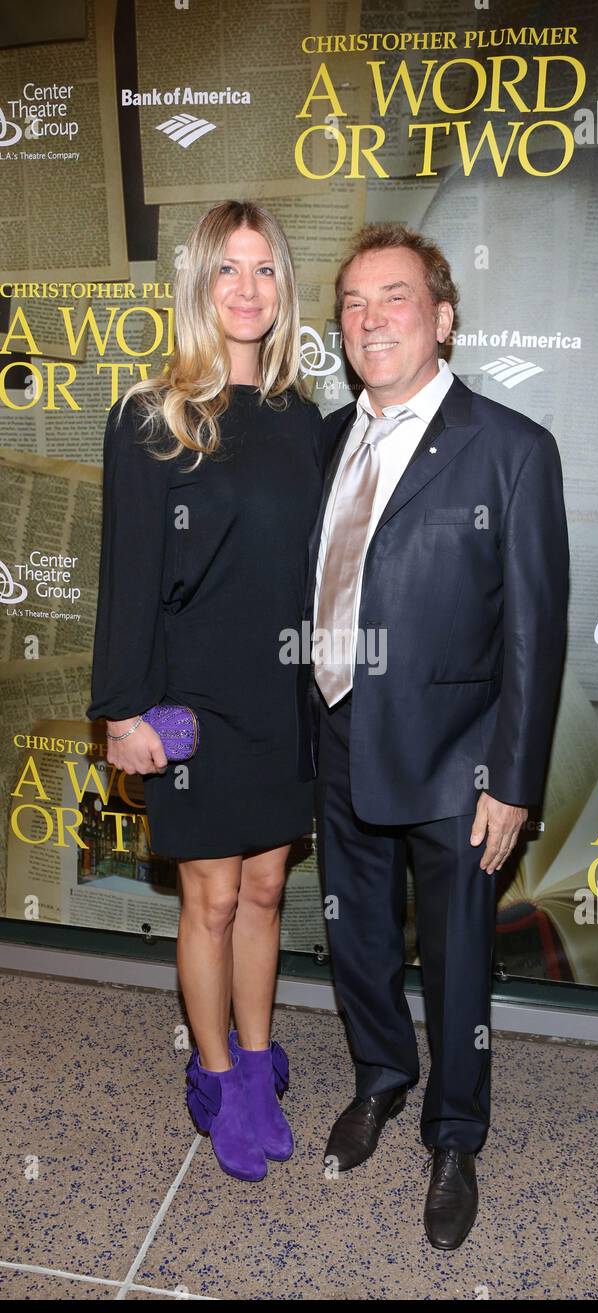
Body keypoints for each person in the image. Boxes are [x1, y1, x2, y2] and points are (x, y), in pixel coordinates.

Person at [299, 223, 569, 1249]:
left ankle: (455, 1136)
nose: (371, 319)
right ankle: (381, 1077)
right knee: (357, 933)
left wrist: (512, 778)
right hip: (334, 730)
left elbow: (536, 633)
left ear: (443, 317)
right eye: (355, 303)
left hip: (461, 758)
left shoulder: (511, 450)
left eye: (396, 298)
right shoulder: (326, 439)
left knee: (458, 962)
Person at [86, 201, 324, 1183]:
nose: (247, 287)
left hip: (282, 697)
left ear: (283, 287)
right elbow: (126, 574)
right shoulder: (152, 415)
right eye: (227, 269)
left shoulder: (303, 419)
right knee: (213, 900)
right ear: (197, 286)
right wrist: (122, 709)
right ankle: (216, 1074)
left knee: (267, 889)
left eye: (263, 269)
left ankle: (259, 1060)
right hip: (193, 703)